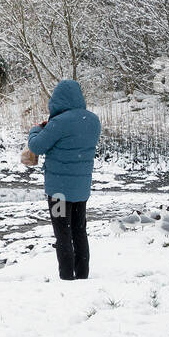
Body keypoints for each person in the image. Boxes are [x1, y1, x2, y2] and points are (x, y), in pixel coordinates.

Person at [26, 79, 101, 281]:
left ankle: (67, 277)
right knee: (79, 231)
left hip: (59, 192)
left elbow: (37, 146)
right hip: (81, 190)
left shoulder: (58, 123)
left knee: (62, 233)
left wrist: (35, 129)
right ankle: (82, 274)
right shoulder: (93, 121)